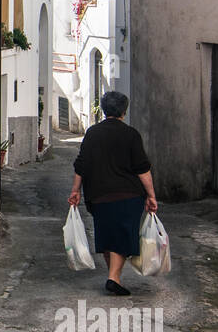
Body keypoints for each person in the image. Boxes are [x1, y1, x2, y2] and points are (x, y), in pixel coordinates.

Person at [67, 91, 158, 296]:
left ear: (104, 109)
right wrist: (151, 195)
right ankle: (113, 278)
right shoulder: (131, 134)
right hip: (128, 195)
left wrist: (75, 191)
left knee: (108, 235)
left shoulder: (92, 133)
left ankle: (113, 276)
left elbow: (81, 165)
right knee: (123, 237)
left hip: (98, 195)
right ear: (124, 112)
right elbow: (142, 169)